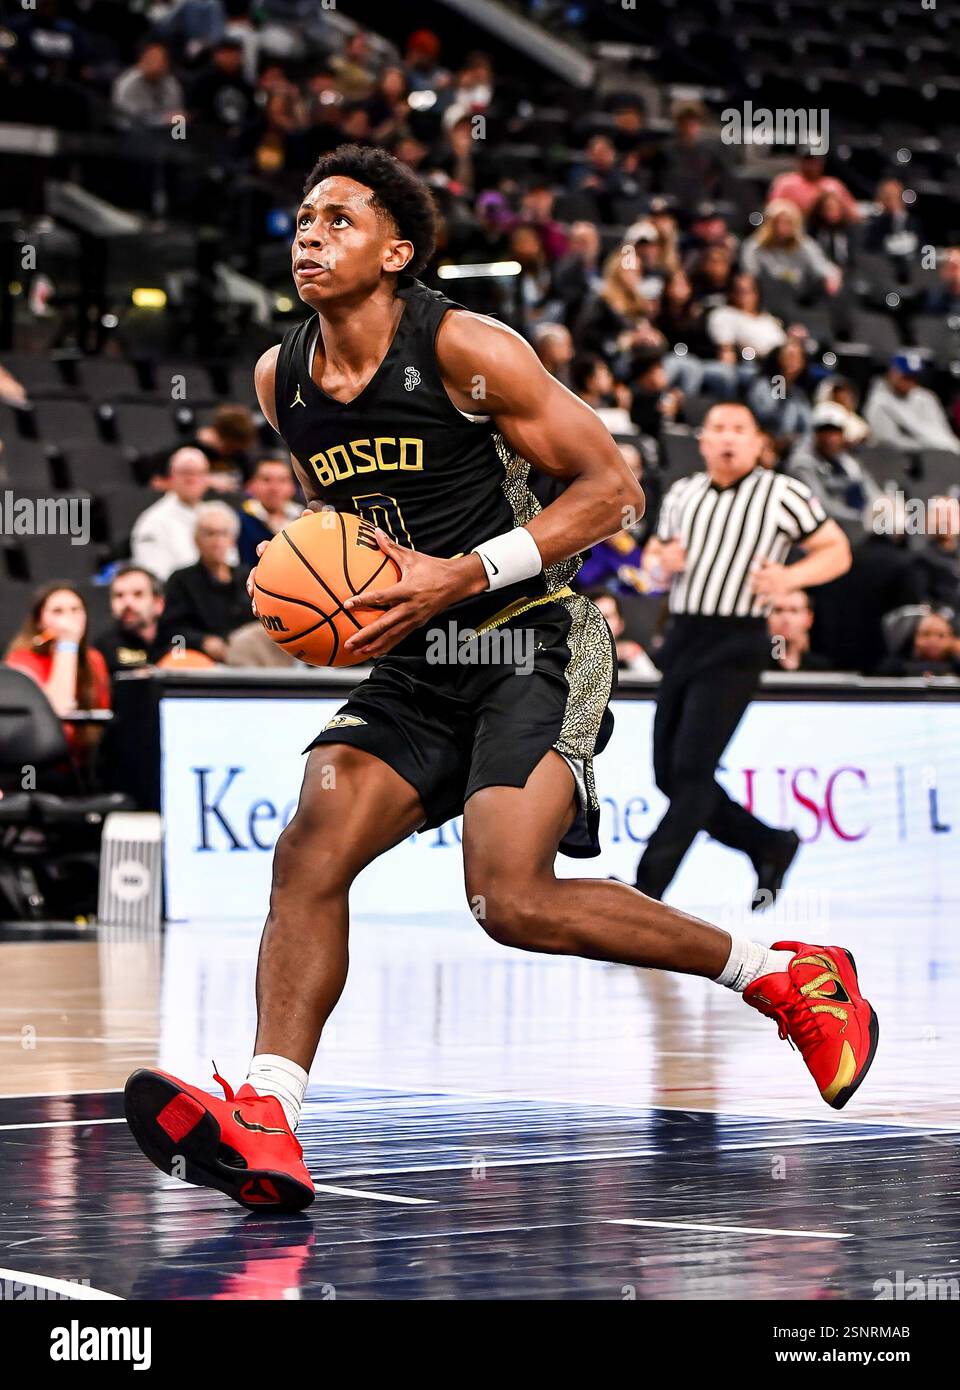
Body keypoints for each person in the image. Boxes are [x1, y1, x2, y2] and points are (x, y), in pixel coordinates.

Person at [123, 145, 878, 1215]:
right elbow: (352, 534)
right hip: (416, 658)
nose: (310, 235)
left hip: (531, 632)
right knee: (309, 846)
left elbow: (614, 491)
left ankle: (783, 974)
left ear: (399, 249)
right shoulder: (277, 377)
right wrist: (312, 585)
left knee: (509, 896)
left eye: (340, 219)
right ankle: (268, 1108)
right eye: (302, 218)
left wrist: (463, 572)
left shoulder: (468, 346)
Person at [636, 402, 851, 907]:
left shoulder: (782, 493)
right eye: (718, 428)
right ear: (702, 440)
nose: (728, 438)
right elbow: (653, 563)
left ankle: (646, 890)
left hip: (738, 638)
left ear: (759, 443)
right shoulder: (683, 493)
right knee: (668, 774)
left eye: (739, 430)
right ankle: (770, 843)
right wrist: (659, 564)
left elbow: (837, 550)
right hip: (684, 635)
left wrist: (790, 577)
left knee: (690, 771)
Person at [5, 583, 110, 768]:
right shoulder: (22, 660)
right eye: (57, 611)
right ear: (39, 621)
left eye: (75, 610)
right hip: (39, 767)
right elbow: (58, 708)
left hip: (84, 766)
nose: (68, 619)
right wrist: (67, 645)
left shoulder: (94, 659)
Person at [162, 502, 250, 662]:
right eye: (209, 533)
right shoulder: (181, 580)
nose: (217, 541)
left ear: (232, 540)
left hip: (247, 658)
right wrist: (202, 641)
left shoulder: (246, 577)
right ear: (196, 540)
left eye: (223, 533)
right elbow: (172, 631)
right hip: (201, 660)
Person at [785, 401, 883, 531]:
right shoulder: (801, 464)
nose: (830, 438)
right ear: (815, 433)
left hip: (859, 527)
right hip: (823, 530)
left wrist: (882, 511)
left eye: (835, 432)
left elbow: (871, 491)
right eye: (824, 431)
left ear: (843, 434)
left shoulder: (846, 460)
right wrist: (863, 518)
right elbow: (822, 507)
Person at [130, 447, 211, 581]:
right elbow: (155, 578)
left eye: (199, 473)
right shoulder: (152, 522)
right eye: (185, 472)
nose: (192, 479)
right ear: (172, 476)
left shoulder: (215, 516)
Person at [863, 353, 960, 455]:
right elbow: (888, 444)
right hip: (897, 462)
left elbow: (943, 434)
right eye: (907, 377)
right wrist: (932, 447)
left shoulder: (925, 397)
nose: (911, 382)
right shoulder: (879, 402)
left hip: (937, 456)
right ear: (893, 373)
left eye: (914, 377)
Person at [94, 565, 174, 674]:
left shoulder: (177, 641)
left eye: (138, 594)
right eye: (119, 595)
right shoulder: (103, 650)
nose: (127, 602)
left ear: (158, 604)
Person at [237, 456, 301, 568]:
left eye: (282, 480)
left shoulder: (304, 520)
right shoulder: (239, 520)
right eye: (266, 480)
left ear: (292, 487)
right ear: (252, 485)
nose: (274, 488)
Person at [111, 41, 184, 126]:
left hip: (165, 133)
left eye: (162, 60)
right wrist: (162, 120)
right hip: (131, 133)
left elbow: (176, 114)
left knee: (181, 123)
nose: (157, 65)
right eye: (152, 60)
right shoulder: (127, 84)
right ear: (141, 61)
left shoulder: (171, 84)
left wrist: (177, 124)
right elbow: (127, 119)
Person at [878, 608, 960, 677]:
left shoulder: (955, 663)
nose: (933, 641)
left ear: (952, 639)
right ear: (915, 638)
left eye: (941, 635)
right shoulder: (896, 665)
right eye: (926, 634)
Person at [767, 588, 832, 672]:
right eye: (778, 610)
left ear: (809, 618)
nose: (786, 619)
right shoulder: (754, 664)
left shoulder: (820, 668)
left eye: (794, 611)